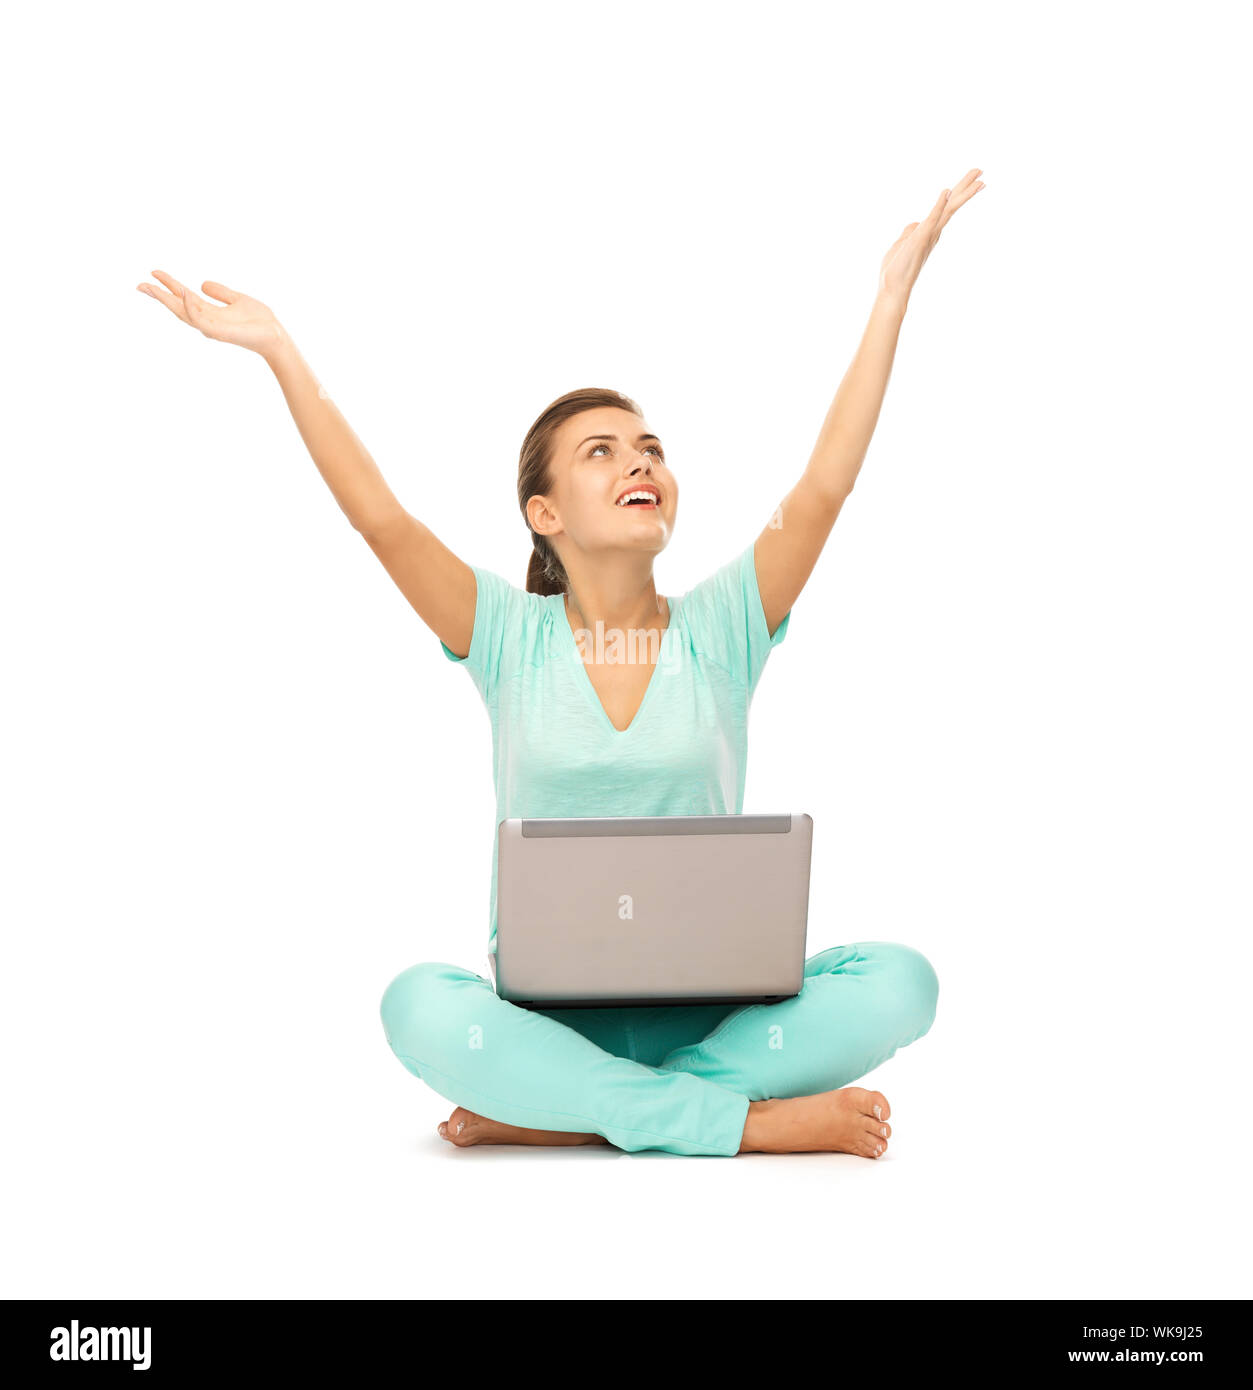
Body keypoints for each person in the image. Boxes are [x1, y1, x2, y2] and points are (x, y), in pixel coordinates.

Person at [138, 169, 984, 1157]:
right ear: (543, 515)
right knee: (414, 1003)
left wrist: (890, 295)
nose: (640, 463)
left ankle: (570, 1110)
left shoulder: (724, 624)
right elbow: (381, 516)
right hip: (547, 1020)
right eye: (600, 451)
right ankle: (727, 1122)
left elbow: (824, 483)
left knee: (902, 980)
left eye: (649, 448)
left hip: (717, 1022)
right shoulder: (503, 632)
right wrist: (281, 351)